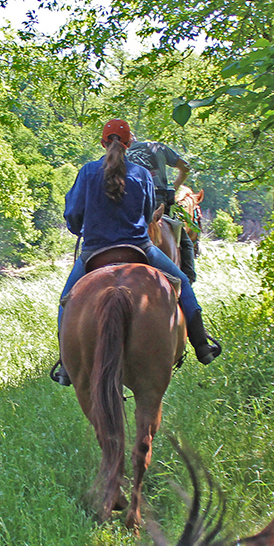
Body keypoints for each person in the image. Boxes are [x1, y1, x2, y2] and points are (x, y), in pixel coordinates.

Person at [48, 119, 220, 386]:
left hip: (94, 252)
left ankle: (66, 365)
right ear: (128, 144)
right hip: (140, 249)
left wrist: (77, 227)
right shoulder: (141, 174)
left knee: (67, 300)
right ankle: (201, 345)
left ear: (103, 143)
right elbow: (148, 213)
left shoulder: (87, 172)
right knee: (183, 282)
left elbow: (72, 215)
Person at [127, 132, 197, 282]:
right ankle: (188, 279)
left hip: (129, 208)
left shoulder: (120, 154)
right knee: (185, 242)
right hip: (159, 204)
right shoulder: (158, 147)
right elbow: (185, 167)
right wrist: (174, 186)